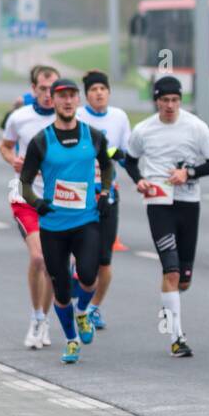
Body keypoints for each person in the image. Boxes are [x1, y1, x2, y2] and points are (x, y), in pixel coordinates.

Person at [123, 75, 209, 357]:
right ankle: (177, 337)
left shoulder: (196, 127)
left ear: (181, 101)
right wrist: (139, 180)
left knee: (184, 279)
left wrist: (188, 173)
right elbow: (130, 161)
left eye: (175, 100)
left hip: (188, 202)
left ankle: (169, 303)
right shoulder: (143, 130)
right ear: (156, 101)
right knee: (171, 269)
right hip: (158, 203)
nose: (169, 106)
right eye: (164, 100)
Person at [19, 78, 113, 364]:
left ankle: (83, 312)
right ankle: (71, 340)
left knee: (87, 276)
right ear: (54, 101)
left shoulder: (93, 136)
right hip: (53, 226)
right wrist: (37, 204)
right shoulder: (41, 141)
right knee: (60, 291)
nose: (68, 101)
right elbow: (25, 184)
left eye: (72, 96)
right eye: (62, 97)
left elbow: (107, 163)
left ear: (78, 101)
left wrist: (105, 191)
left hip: (86, 220)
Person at [1, 66, 61, 349]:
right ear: (33, 89)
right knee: (39, 258)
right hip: (25, 195)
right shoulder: (20, 117)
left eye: (53, 89)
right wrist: (11, 158)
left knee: (53, 265)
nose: (48, 95)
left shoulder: (72, 119)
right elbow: (5, 145)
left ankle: (45, 319)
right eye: (42, 89)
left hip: (60, 199)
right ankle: (36, 316)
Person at [76, 70, 132, 330]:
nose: (99, 93)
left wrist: (140, 176)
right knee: (80, 253)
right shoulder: (77, 117)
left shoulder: (119, 117)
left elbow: (125, 154)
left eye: (102, 89)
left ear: (109, 92)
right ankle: (78, 291)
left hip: (108, 193)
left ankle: (94, 307)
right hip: (79, 193)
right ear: (86, 95)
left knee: (104, 258)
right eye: (93, 89)